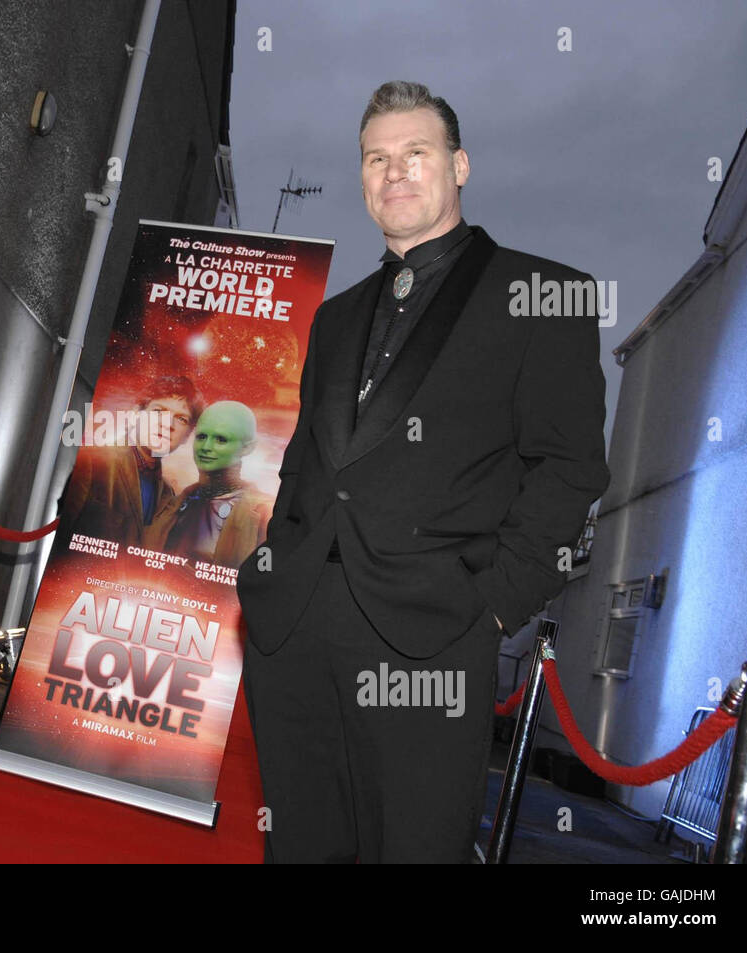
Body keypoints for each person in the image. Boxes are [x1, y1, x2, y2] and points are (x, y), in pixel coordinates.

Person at [236, 82, 610, 863]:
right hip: (293, 627)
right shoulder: (336, 317)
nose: (394, 171)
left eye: (416, 153)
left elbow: (571, 469)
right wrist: (275, 563)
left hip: (433, 636)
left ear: (460, 165)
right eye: (377, 157)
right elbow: (307, 464)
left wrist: (494, 608)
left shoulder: (545, 295)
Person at [55, 376, 203, 550]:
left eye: (181, 419)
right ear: (134, 415)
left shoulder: (168, 494)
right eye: (158, 411)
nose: (167, 424)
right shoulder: (94, 463)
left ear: (187, 435)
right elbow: (61, 542)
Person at [151, 400, 270, 569]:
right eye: (201, 437)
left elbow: (266, 577)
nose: (206, 447)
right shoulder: (174, 502)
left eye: (221, 439)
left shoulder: (264, 515)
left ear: (247, 448)